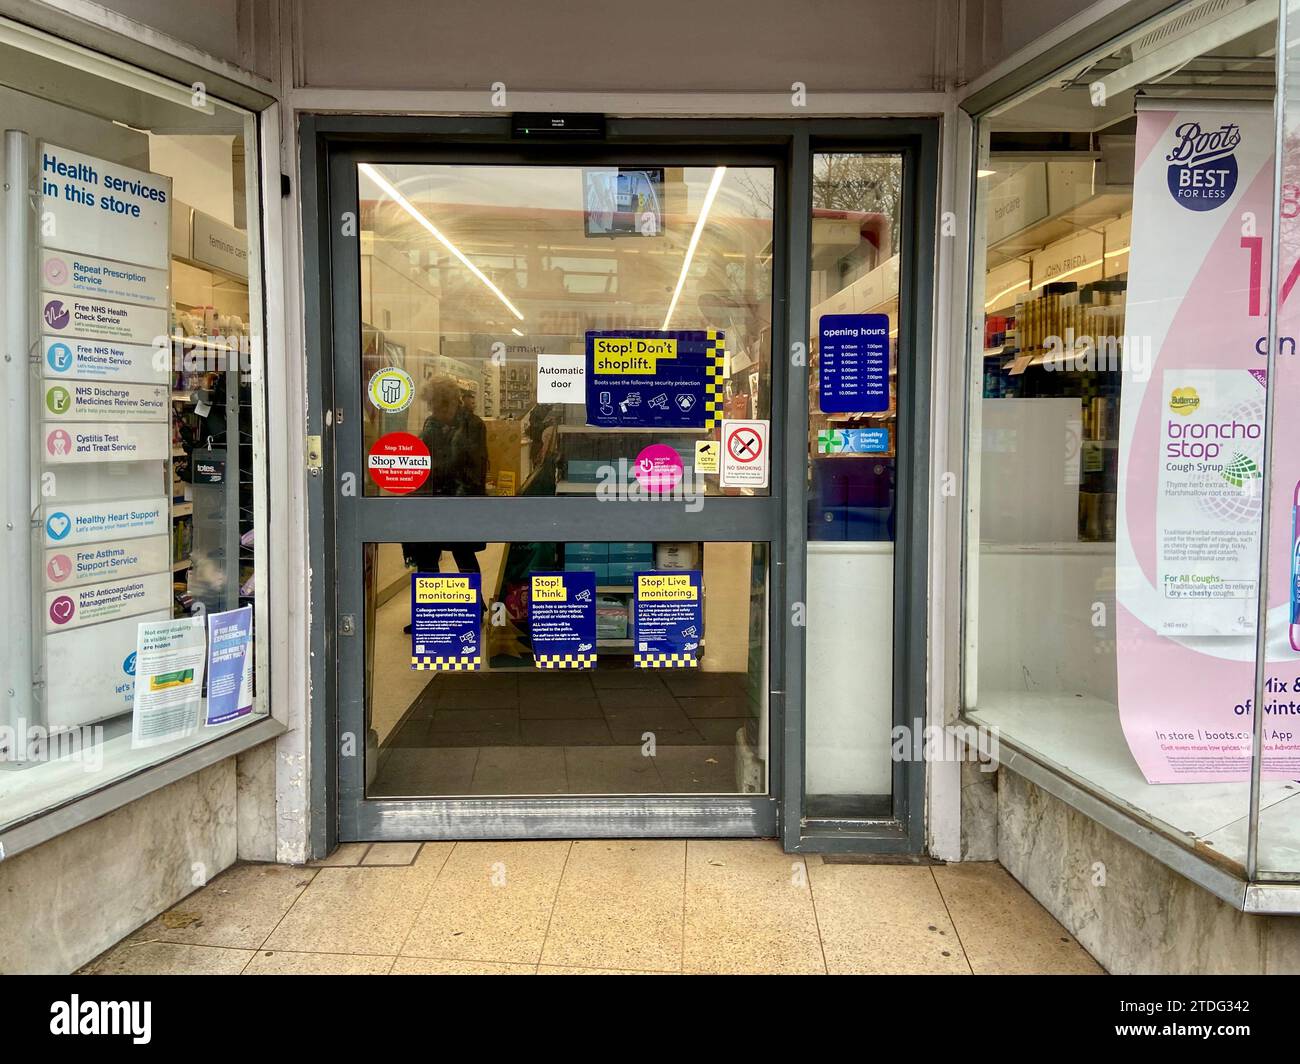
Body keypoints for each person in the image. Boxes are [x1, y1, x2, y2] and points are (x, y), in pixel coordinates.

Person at [403, 375, 488, 632]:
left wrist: (459, 493)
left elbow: (476, 466)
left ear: (452, 402)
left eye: (440, 406)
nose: (436, 412)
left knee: (464, 553)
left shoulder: (473, 425)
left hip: (462, 499)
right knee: (426, 554)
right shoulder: (432, 425)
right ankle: (430, 613)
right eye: (433, 407)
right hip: (434, 500)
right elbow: (421, 459)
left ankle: (475, 607)